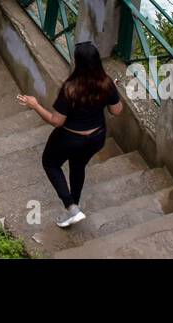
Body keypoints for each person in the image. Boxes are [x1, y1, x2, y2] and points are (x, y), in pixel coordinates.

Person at [17, 41, 123, 228]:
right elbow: (116, 111)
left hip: (69, 139)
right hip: (96, 138)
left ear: (78, 63)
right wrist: (113, 91)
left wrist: (35, 105)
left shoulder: (70, 88)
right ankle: (74, 207)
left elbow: (56, 121)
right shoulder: (107, 83)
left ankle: (71, 207)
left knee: (50, 163)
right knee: (78, 165)